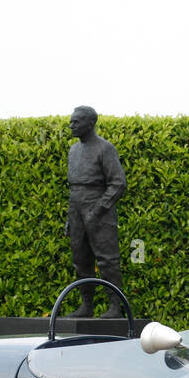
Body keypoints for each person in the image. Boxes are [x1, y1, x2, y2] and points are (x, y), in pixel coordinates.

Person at [66, 105, 127, 317]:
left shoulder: (105, 148)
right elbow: (74, 189)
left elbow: (118, 183)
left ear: (90, 124)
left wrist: (98, 209)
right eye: (71, 121)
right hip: (76, 210)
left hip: (99, 209)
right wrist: (71, 218)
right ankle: (86, 305)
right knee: (80, 260)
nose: (71, 125)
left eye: (76, 122)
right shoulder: (73, 151)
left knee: (107, 260)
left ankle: (115, 307)